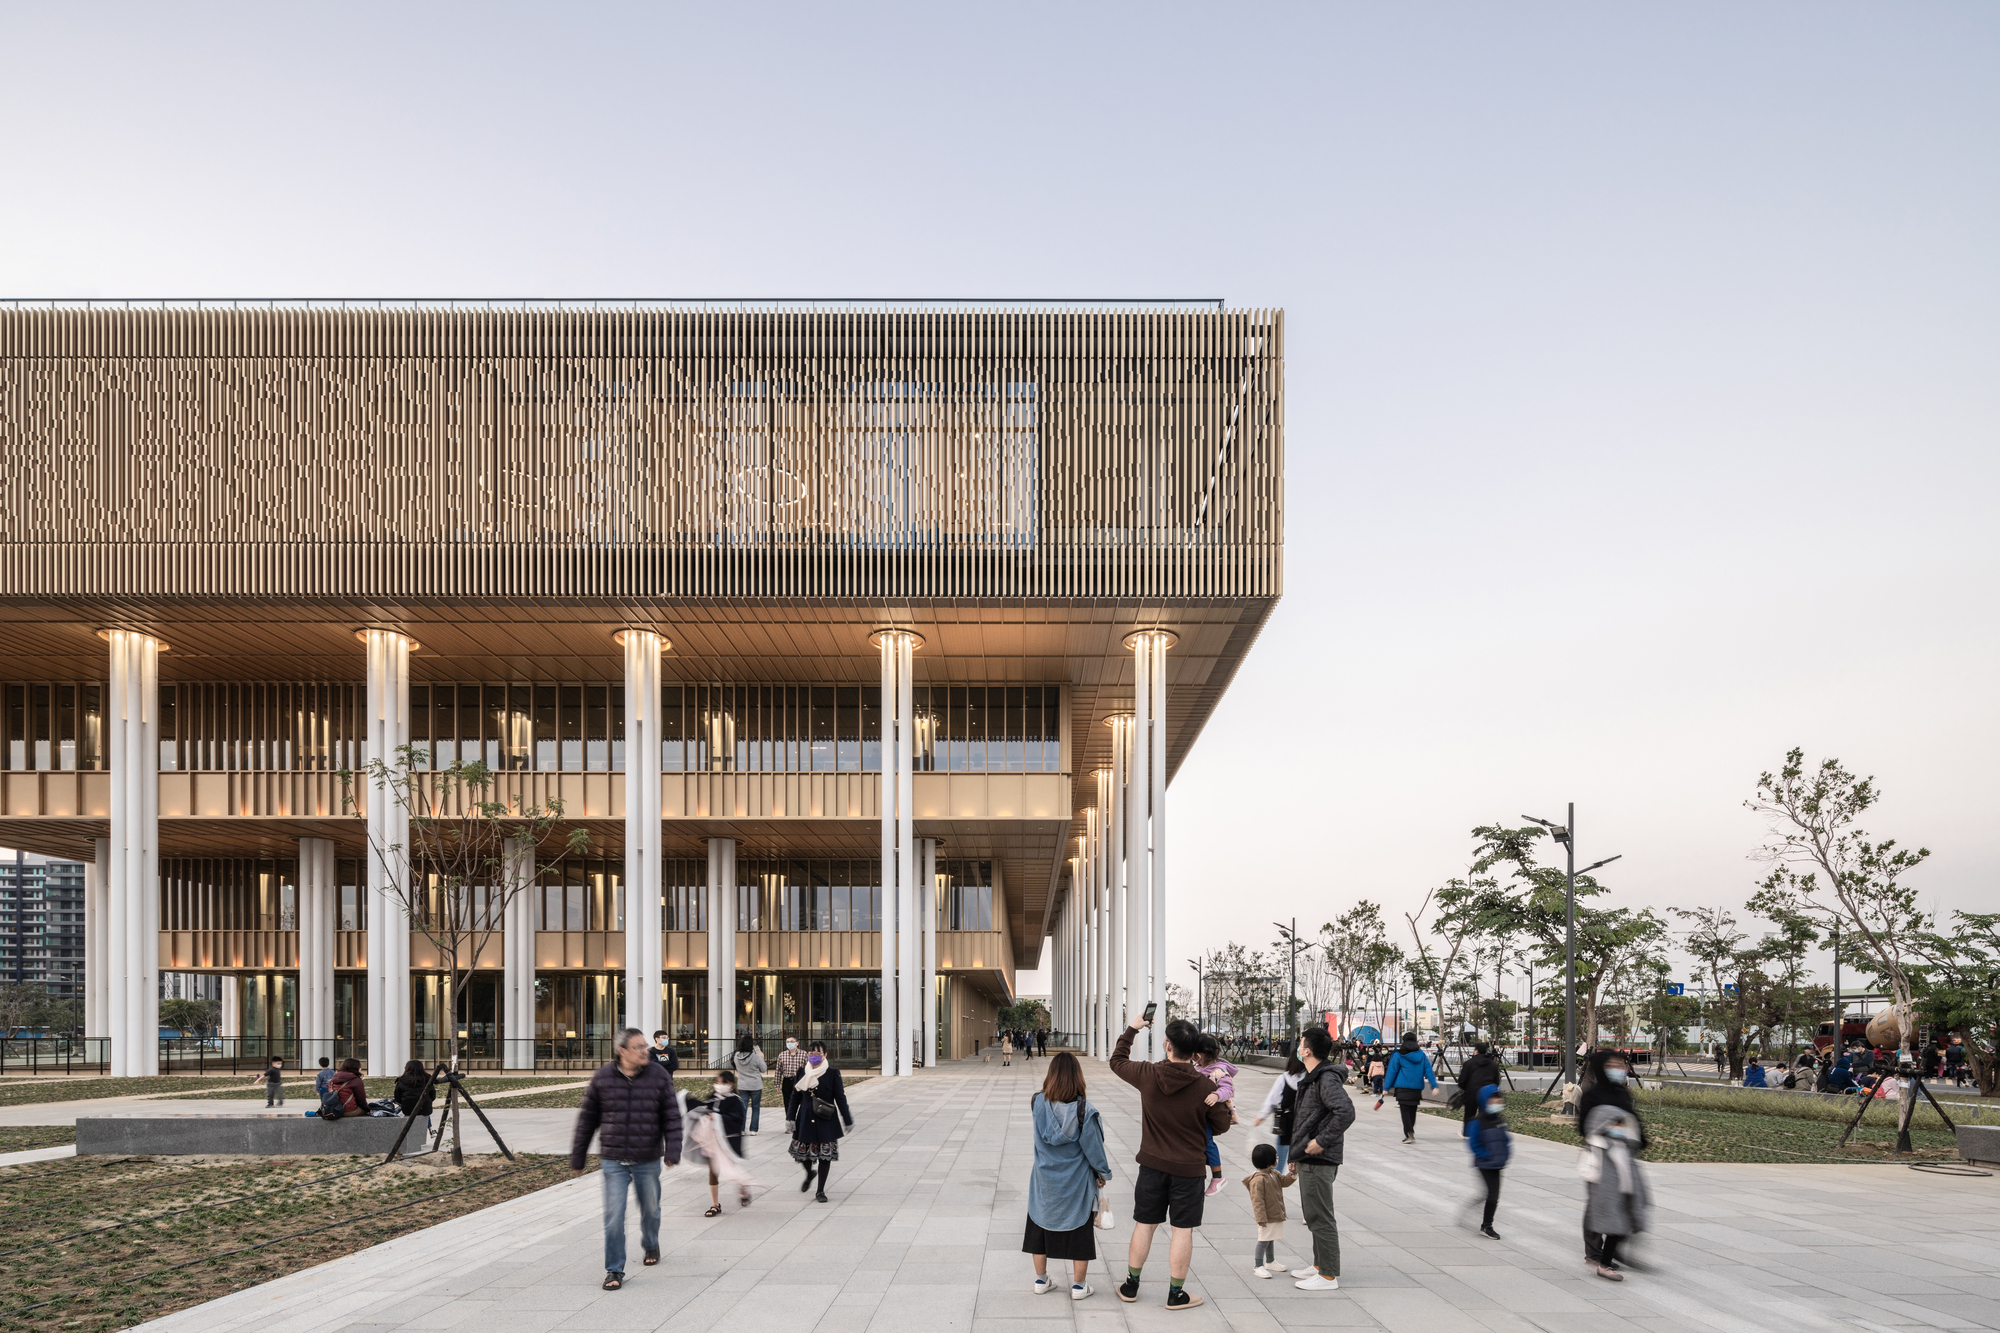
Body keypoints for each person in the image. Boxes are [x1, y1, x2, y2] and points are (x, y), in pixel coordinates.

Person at [1108, 1011, 1232, 1311]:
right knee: (1182, 1230)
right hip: (1189, 1170)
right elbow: (1222, 1125)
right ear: (1194, 1053)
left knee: (1145, 1224)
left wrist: (1133, 1028)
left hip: (1151, 1165)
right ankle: (1176, 1294)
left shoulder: (1148, 1074)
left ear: (1167, 1046)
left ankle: (1130, 1285)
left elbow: (1117, 1060)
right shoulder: (1205, 1088)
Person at [571, 1027, 684, 1291]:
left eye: (646, 1046)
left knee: (651, 1210)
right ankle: (614, 1269)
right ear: (622, 1051)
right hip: (613, 1159)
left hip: (647, 1158)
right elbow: (587, 1119)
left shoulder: (658, 1075)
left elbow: (671, 1116)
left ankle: (650, 1242)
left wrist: (673, 1149)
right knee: (613, 1217)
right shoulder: (603, 1078)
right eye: (639, 1047)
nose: (646, 1051)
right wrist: (578, 1157)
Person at [1025, 1051, 1110, 1301]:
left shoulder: (1037, 1102)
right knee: (1080, 1230)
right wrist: (1103, 1173)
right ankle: (1079, 1286)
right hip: (1076, 1182)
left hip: (1043, 1180)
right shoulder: (1085, 1111)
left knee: (1038, 1227)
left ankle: (1041, 1281)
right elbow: (1094, 1150)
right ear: (1078, 1077)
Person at [1289, 1024, 1354, 1291]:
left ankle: (1328, 1275)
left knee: (1321, 1216)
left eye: (1301, 1042)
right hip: (1308, 1155)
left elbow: (1345, 1112)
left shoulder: (1325, 1078)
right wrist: (1296, 1154)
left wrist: (1320, 1142)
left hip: (1320, 1157)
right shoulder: (1313, 1076)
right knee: (1312, 1212)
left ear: (1308, 1050)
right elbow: (1306, 1120)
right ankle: (1318, 1265)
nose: (1298, 1046)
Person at [1580, 1103, 1650, 1280]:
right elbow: (1588, 1173)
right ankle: (1604, 1265)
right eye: (1614, 1124)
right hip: (1608, 1197)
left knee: (1622, 1229)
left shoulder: (1624, 1146)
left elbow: (1631, 1171)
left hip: (1626, 1195)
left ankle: (1606, 1260)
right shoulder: (1598, 1147)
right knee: (1614, 1230)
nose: (1618, 1128)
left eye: (1621, 1125)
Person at [788, 1041, 853, 1202]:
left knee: (825, 1156)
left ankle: (820, 1191)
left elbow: (840, 1098)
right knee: (804, 1156)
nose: (813, 1056)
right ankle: (810, 1173)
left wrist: (847, 1118)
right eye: (811, 1053)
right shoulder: (802, 1072)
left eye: (817, 1054)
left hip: (826, 1119)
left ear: (825, 1055)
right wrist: (790, 1118)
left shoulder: (832, 1074)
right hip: (805, 1118)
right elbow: (795, 1097)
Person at [1241, 1143, 1297, 1278]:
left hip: (1274, 1214)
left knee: (1271, 1238)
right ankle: (1258, 1265)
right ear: (1269, 1161)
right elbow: (1257, 1201)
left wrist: (1292, 1174)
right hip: (1266, 1216)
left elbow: (1284, 1182)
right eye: (1276, 1156)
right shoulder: (1258, 1180)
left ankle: (1270, 1261)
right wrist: (1261, 1218)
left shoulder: (1273, 1173)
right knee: (1264, 1240)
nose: (1278, 1158)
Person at [698, 1068, 749, 1216]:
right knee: (713, 1171)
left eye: (722, 1083)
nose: (718, 1085)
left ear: (731, 1085)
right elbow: (703, 1109)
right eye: (717, 1082)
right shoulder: (712, 1098)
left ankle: (743, 1187)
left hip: (729, 1141)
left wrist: (719, 1118)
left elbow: (738, 1120)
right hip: (713, 1142)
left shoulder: (735, 1101)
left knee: (733, 1168)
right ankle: (715, 1204)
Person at [1464, 1081, 1510, 1239]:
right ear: (1485, 1101)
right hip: (1485, 1164)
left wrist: (1506, 1154)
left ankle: (1486, 1222)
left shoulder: (1499, 1121)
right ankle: (1487, 1226)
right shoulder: (1477, 1122)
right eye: (1493, 1100)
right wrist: (1485, 1154)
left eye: (1499, 1100)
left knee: (1493, 1195)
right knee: (1492, 1195)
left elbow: (1506, 1140)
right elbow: (1473, 1143)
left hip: (1497, 1163)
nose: (1497, 1103)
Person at [1193, 1034, 1238, 1196]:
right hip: (1199, 1113)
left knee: (1207, 1142)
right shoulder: (1199, 1068)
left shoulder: (1219, 1071)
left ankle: (1218, 1177)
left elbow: (1228, 1089)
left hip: (1209, 1115)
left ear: (1199, 1055)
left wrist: (1217, 1095)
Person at [1250, 1053, 1303, 1171]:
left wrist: (1261, 1116)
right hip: (1305, 1125)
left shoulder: (1284, 1078)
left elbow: (1272, 1099)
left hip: (1285, 1125)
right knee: (1304, 1162)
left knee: (1280, 1160)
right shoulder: (1310, 1078)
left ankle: (1276, 1183)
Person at [1383, 1032, 1438, 1143]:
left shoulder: (1398, 1054)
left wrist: (1386, 1088)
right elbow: (1428, 1070)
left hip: (1402, 1087)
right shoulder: (1421, 1055)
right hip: (1416, 1088)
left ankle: (1409, 1133)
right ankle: (1410, 1131)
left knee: (1405, 1111)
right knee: (1412, 1110)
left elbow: (1392, 1071)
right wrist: (1434, 1085)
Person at [1456, 1042, 1500, 1124]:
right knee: (1485, 1114)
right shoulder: (1492, 1064)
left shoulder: (1468, 1063)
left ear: (1476, 1051)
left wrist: (1464, 1089)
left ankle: (1468, 1133)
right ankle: (1484, 1132)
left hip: (1471, 1092)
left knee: (1469, 1114)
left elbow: (1462, 1081)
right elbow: (1496, 1081)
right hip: (1487, 1093)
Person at [732, 1035, 767, 1134]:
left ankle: (741, 1129)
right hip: (755, 1084)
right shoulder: (755, 1057)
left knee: (743, 1108)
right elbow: (764, 1069)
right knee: (755, 1107)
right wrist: (761, 1057)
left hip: (742, 1084)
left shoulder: (736, 1056)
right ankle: (753, 1130)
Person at [774, 1036, 809, 1126]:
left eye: (792, 1041)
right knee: (788, 1103)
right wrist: (777, 1083)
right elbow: (778, 1070)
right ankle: (790, 1122)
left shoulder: (804, 1054)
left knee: (803, 1102)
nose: (789, 1043)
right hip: (787, 1081)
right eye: (787, 1042)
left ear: (797, 1043)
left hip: (800, 1081)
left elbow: (808, 1069)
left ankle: (802, 1123)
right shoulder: (782, 1055)